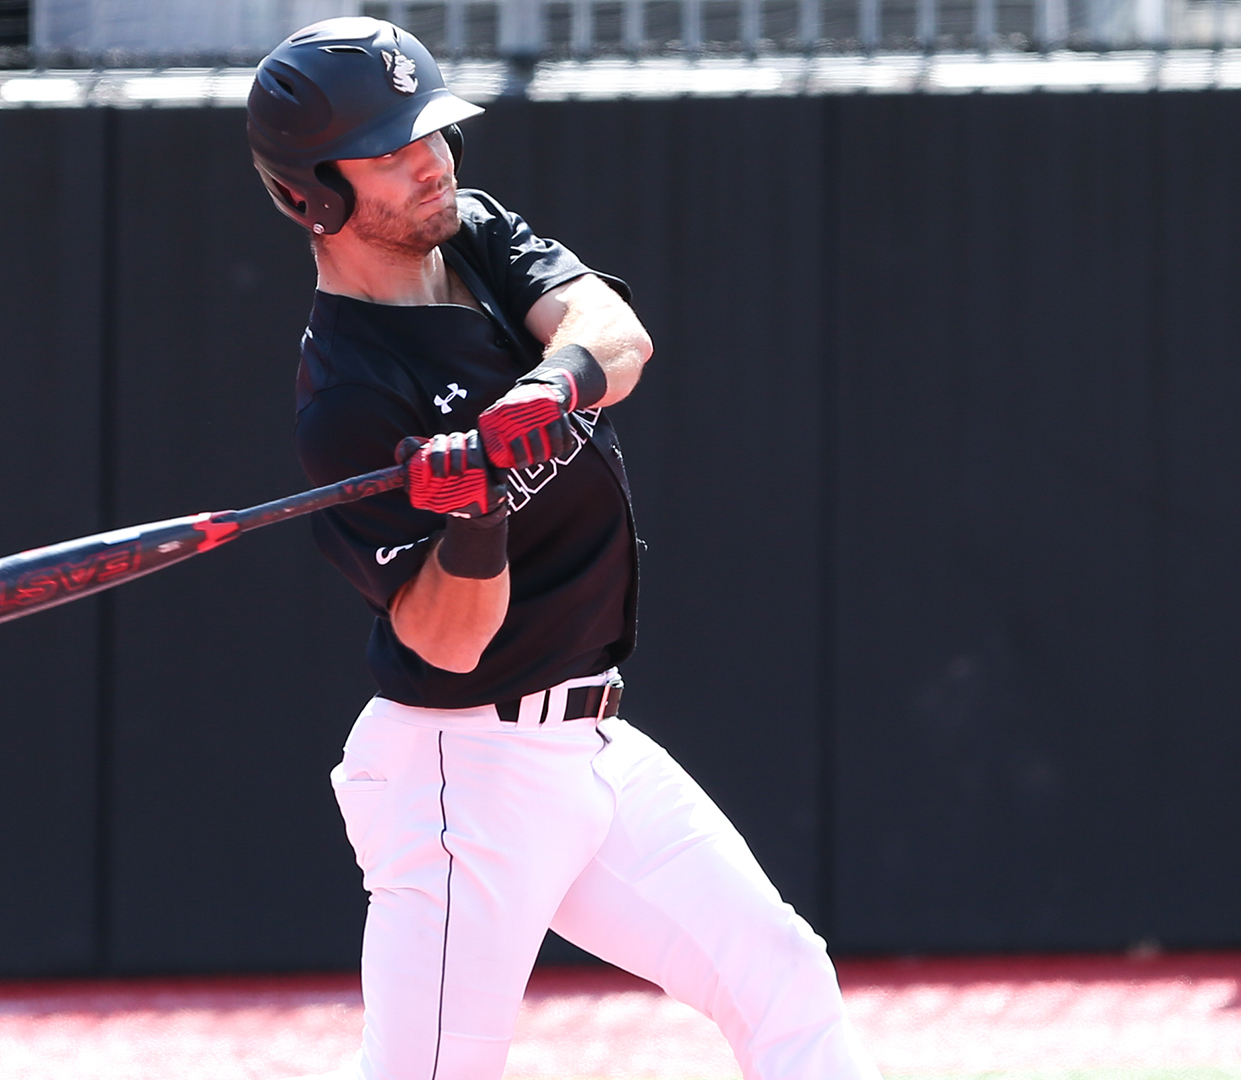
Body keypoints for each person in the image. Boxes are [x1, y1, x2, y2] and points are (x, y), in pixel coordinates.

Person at [249, 18, 881, 1080]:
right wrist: (477, 511)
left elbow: (615, 331)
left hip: (587, 742)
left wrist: (555, 384)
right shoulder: (349, 400)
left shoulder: (474, 237)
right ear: (311, 191)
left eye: (433, 135)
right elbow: (446, 644)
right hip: (461, 774)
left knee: (783, 977)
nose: (433, 162)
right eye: (394, 150)